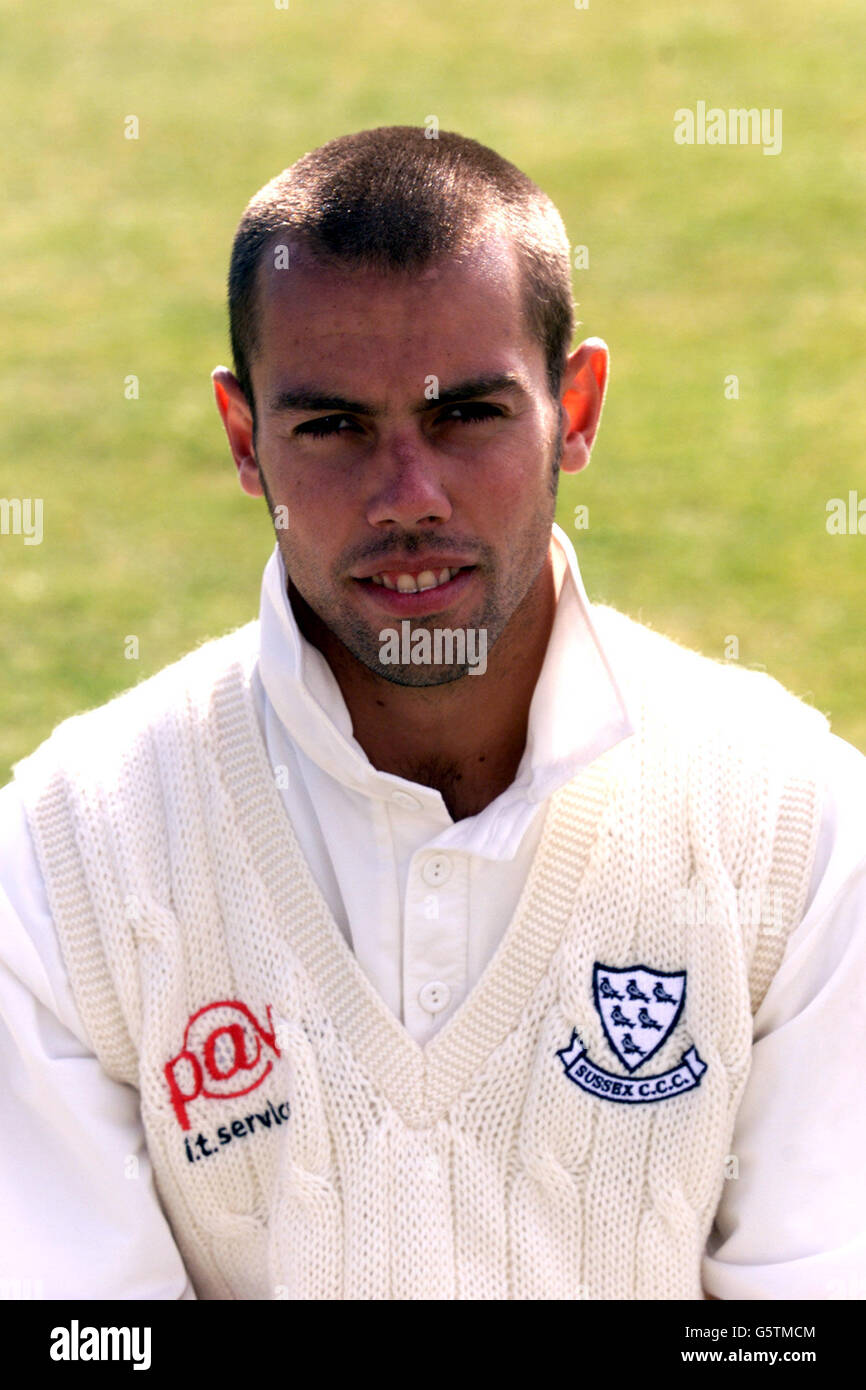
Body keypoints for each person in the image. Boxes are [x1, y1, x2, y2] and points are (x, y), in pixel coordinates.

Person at [1, 126, 864, 1302]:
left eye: (464, 415)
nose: (408, 497)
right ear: (245, 440)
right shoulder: (66, 853)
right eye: (334, 428)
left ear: (578, 405)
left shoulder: (794, 824)